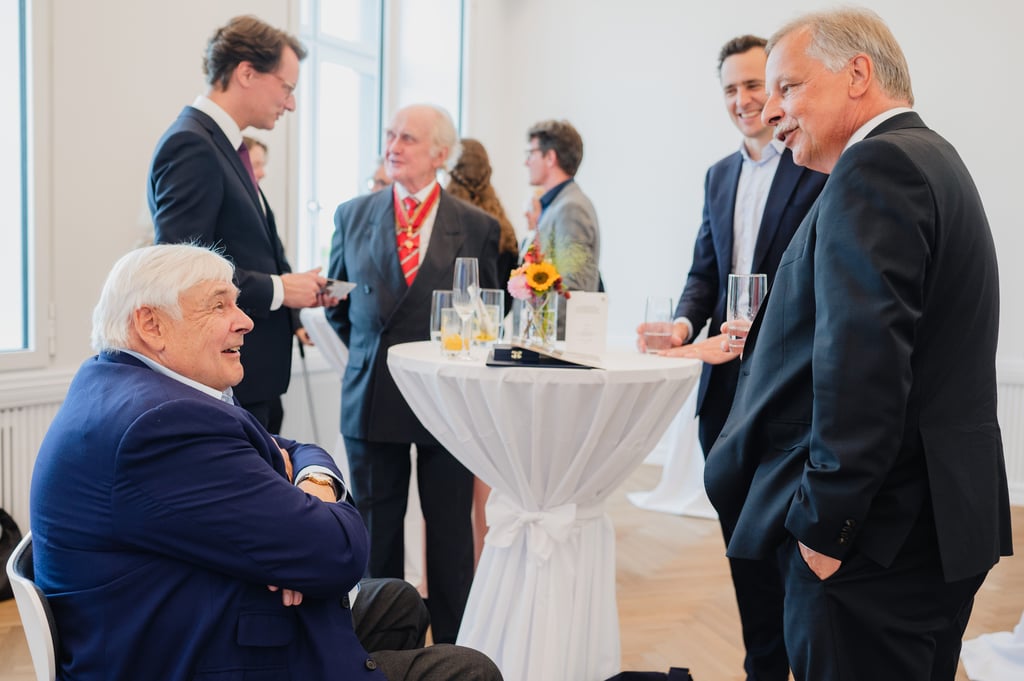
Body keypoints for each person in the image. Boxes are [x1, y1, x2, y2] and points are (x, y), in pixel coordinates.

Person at [694, 9, 1012, 681]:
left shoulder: (874, 167)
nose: (772, 111)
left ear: (858, 74)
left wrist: (824, 529)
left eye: (788, 88)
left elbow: (864, 365)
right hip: (938, 519)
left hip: (874, 538)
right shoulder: (930, 155)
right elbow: (906, 334)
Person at [29, 243, 502, 681]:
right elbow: (339, 554)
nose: (245, 321)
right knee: (468, 669)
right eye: (219, 305)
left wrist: (314, 481)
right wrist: (301, 547)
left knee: (396, 600)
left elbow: (290, 447)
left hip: (183, 608)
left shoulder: (121, 385)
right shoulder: (162, 424)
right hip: (194, 657)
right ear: (151, 325)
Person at [639, 35, 827, 681]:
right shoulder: (718, 175)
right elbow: (705, 271)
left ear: (777, 89)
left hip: (794, 391)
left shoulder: (819, 164)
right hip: (724, 388)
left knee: (790, 554)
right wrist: (684, 322)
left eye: (755, 84)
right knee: (742, 545)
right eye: (731, 89)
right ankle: (762, 669)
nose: (745, 100)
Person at [326, 104, 501, 644]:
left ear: (440, 155)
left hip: (446, 401)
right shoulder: (351, 214)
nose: (393, 145)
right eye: (390, 134)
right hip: (372, 392)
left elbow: (490, 316)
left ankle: (454, 654)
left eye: (408, 138)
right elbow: (338, 303)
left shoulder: (477, 227)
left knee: (449, 535)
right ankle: (379, 652)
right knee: (374, 537)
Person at [148, 15, 333, 434]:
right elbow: (184, 268)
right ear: (247, 72)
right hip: (227, 374)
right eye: (287, 88)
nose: (291, 104)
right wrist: (281, 289)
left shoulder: (222, 145)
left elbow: (236, 248)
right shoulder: (192, 145)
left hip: (253, 374)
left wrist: (295, 290)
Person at [446, 137, 518, 566]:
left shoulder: (453, 221)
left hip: (455, 350)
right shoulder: (501, 223)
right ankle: (482, 563)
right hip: (489, 349)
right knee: (482, 474)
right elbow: (505, 296)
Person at [524, 119, 601, 336]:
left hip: (559, 345)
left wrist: (542, 341)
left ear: (550, 157)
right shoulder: (554, 207)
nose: (526, 162)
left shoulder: (571, 208)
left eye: (531, 153)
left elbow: (572, 288)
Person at [447, 138, 519, 310]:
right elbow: (507, 295)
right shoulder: (504, 228)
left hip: (448, 324)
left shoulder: (444, 221)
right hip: (490, 325)